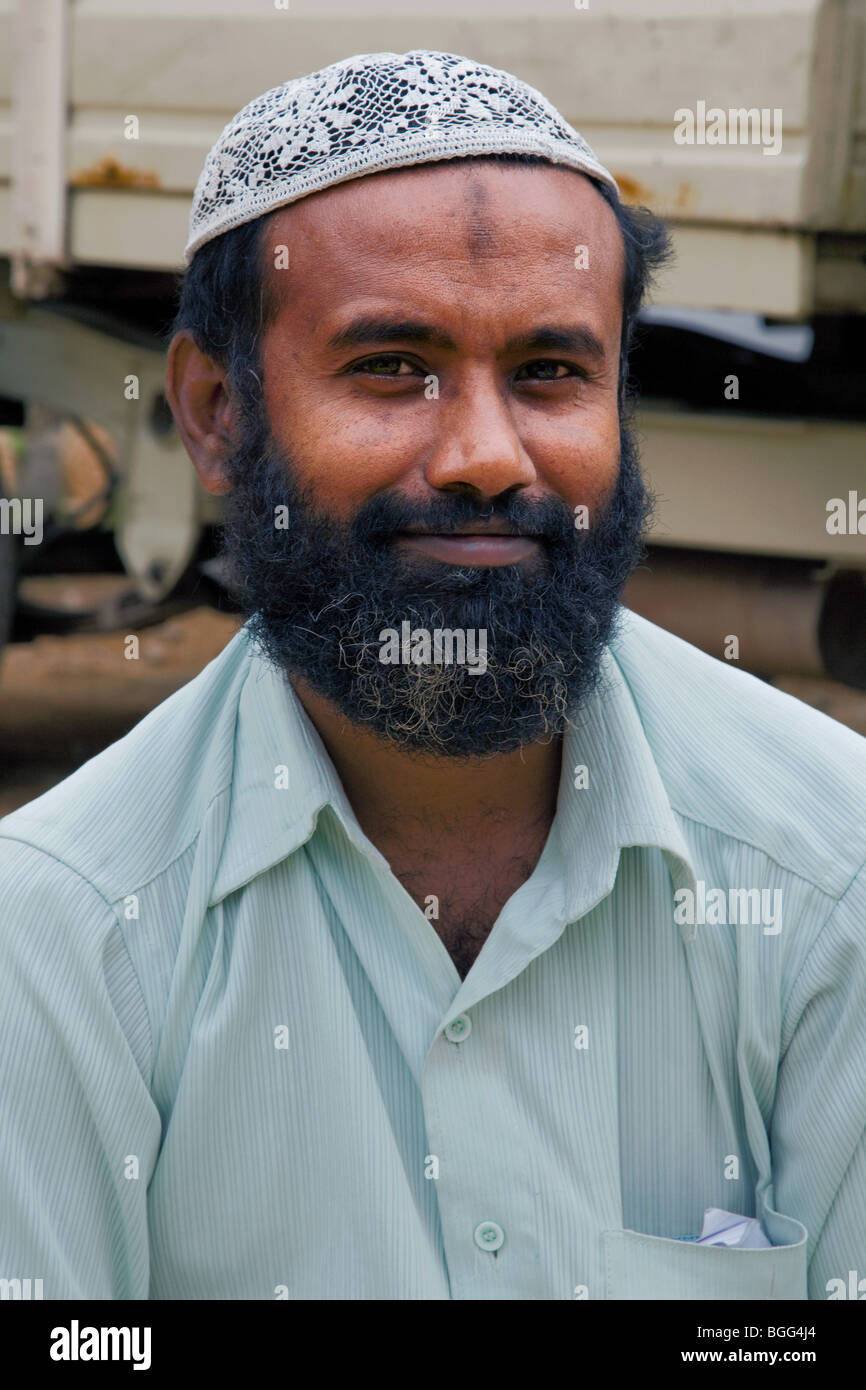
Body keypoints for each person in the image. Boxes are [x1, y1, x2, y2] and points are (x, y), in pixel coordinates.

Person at [0, 50, 863, 1301]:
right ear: (213, 411)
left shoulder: (829, 868)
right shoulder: (62, 940)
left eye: (548, 374)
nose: (481, 456)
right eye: (390, 368)